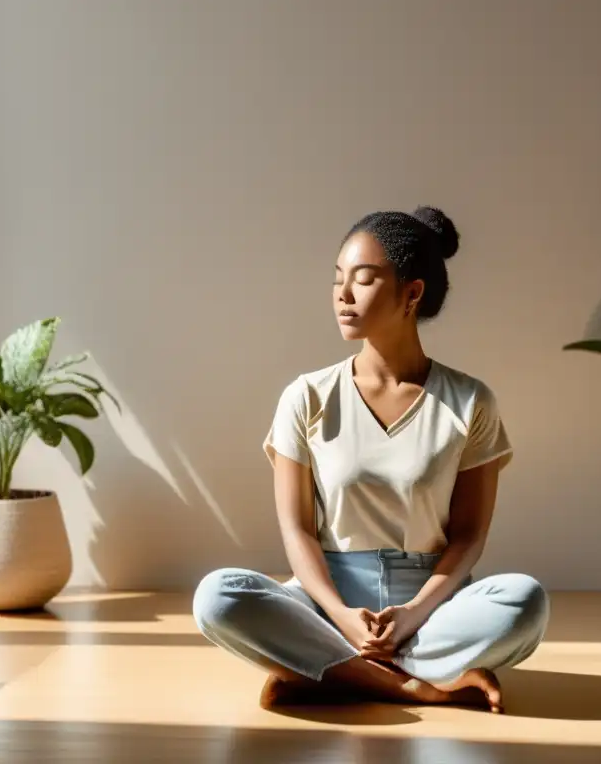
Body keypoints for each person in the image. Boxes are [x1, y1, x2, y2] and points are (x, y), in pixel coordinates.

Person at [192, 206, 549, 713]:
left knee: (525, 600)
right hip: (326, 601)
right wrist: (339, 613)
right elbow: (298, 531)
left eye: (363, 280)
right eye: (338, 279)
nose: (342, 295)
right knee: (216, 597)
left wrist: (412, 614)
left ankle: (321, 670)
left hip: (431, 608)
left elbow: (469, 535)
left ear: (412, 293)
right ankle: (413, 683)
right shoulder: (306, 396)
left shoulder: (471, 402)